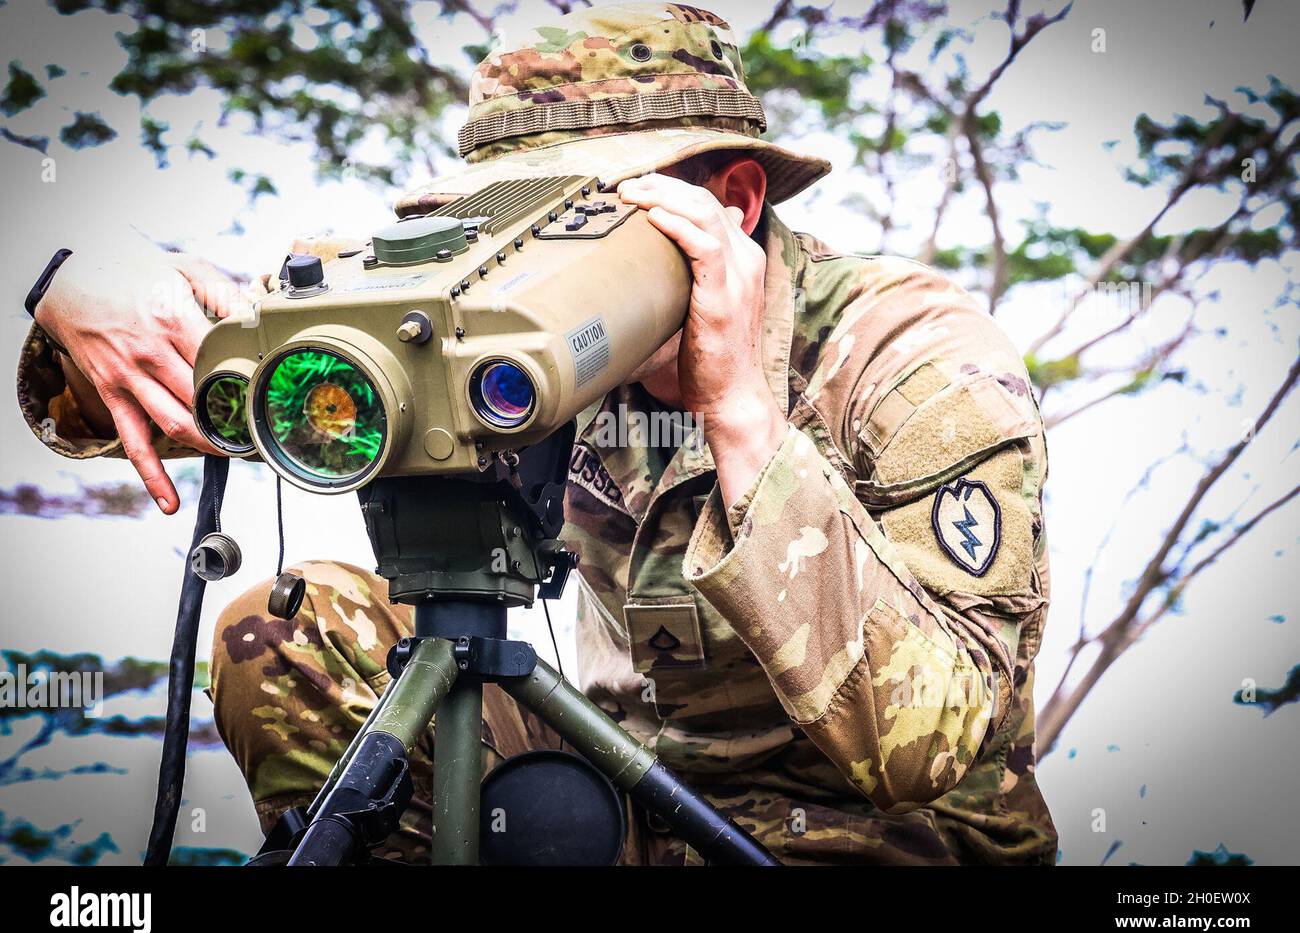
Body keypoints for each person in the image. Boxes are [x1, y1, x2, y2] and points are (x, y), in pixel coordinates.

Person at [17, 2, 1055, 864]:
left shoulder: (910, 354)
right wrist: (73, 288)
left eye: (592, 211)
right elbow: (199, 365)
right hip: (620, 791)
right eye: (518, 213)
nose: (544, 253)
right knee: (290, 630)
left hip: (875, 831)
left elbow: (930, 744)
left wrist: (742, 409)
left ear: (734, 201)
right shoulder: (483, 310)